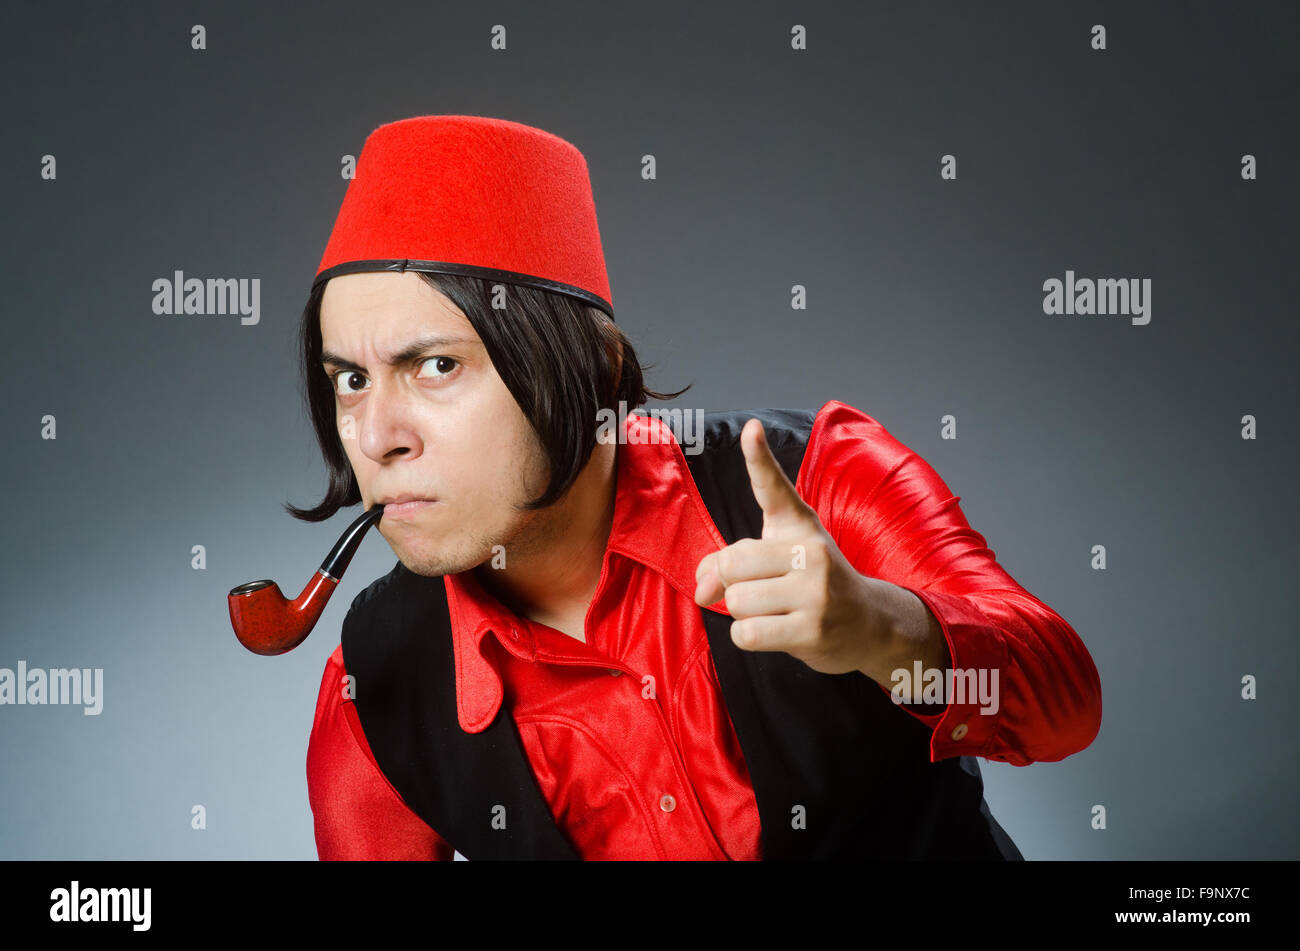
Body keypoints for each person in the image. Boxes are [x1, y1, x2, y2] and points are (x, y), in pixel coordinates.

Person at [294, 114, 1102, 860]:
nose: (374, 436)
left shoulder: (819, 473)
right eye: (352, 379)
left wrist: (883, 633)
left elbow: (1067, 704)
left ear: (593, 368)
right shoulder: (375, 688)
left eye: (437, 365)